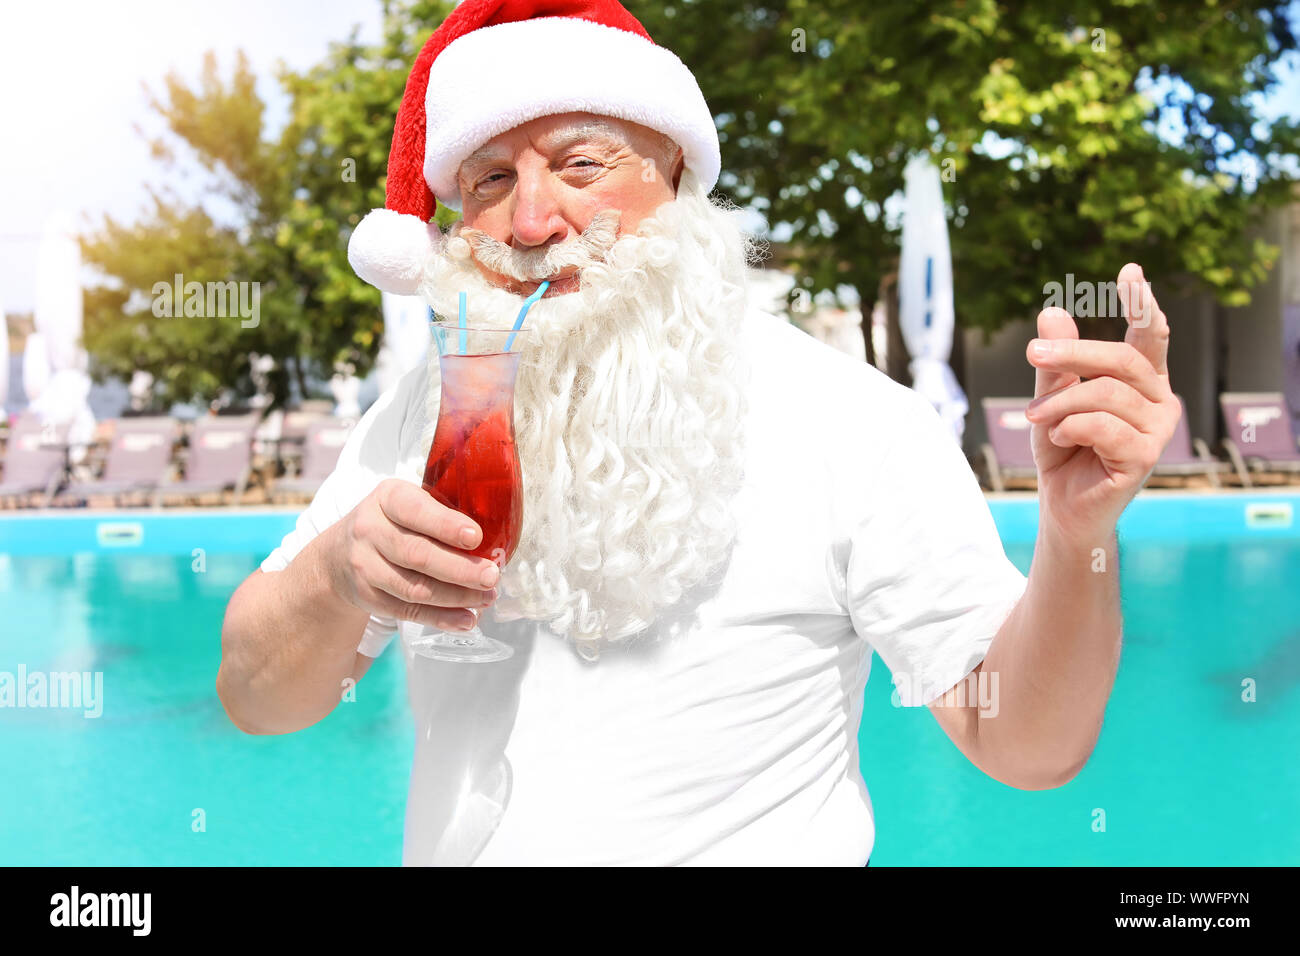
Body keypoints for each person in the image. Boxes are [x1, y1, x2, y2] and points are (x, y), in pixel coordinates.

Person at [217, 0, 1181, 866]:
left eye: (581, 162)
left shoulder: (851, 421)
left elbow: (1030, 746)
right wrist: (339, 572)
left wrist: (1075, 540)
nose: (534, 218)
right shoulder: (425, 411)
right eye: (491, 179)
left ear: (676, 169)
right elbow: (258, 699)